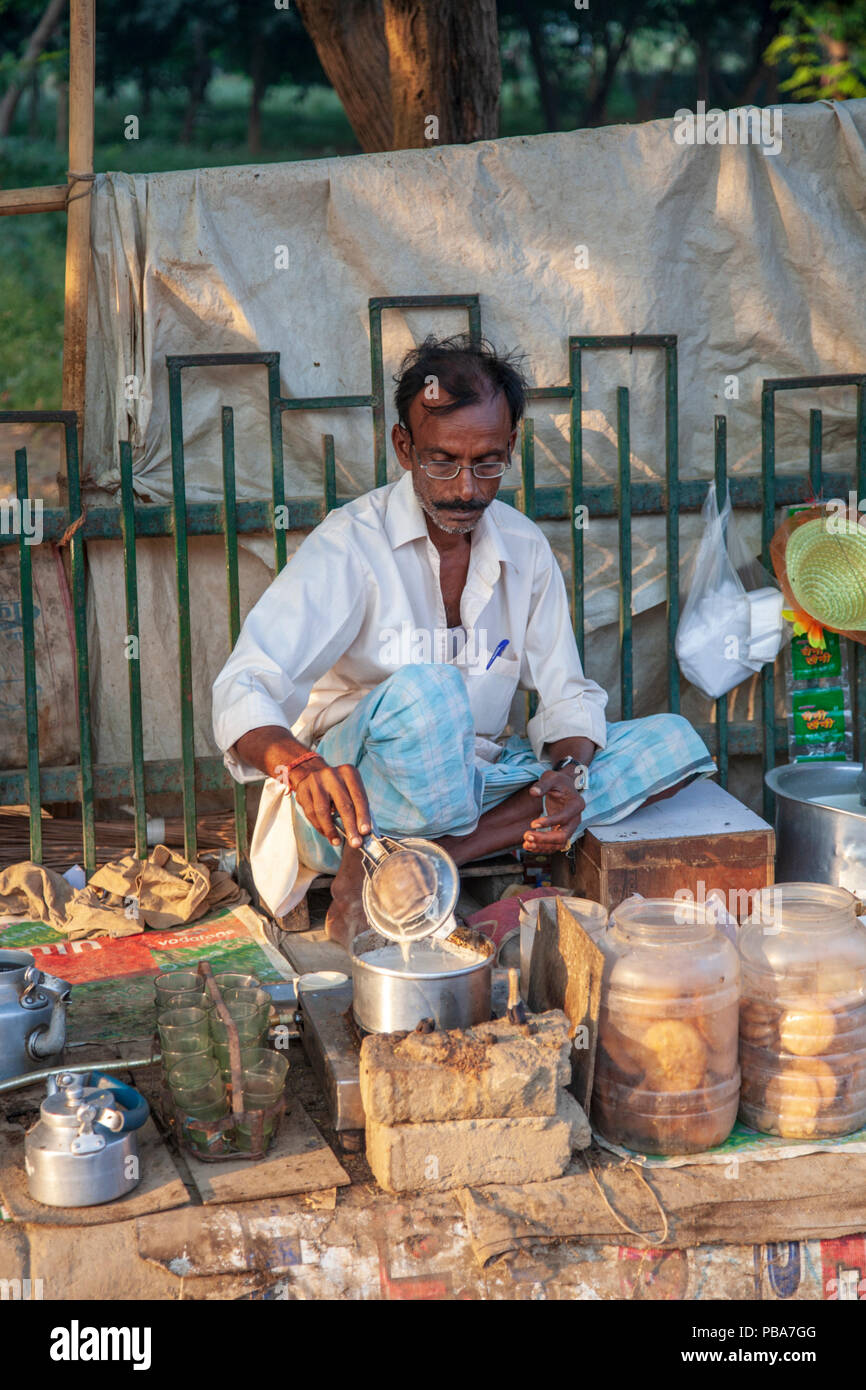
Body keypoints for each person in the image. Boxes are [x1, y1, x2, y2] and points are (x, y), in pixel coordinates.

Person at [212, 334, 716, 945]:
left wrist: (567, 776)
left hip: (477, 786)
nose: (466, 489)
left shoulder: (524, 548)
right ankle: (387, 854)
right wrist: (300, 764)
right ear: (404, 447)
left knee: (672, 740)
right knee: (432, 692)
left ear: (510, 447)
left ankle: (430, 861)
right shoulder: (350, 544)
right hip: (352, 805)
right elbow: (247, 680)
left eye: (486, 464)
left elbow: (566, 694)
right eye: (442, 461)